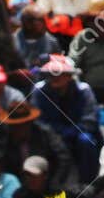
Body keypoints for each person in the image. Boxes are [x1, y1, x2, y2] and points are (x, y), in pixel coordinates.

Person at [30, 53, 99, 183]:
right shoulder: (39, 91)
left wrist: (71, 132)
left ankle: (87, 183)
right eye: (52, 74)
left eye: (60, 73)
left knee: (86, 141)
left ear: (69, 76)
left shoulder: (84, 90)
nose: (55, 77)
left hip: (78, 133)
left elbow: (90, 120)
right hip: (51, 135)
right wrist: (57, 133)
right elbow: (38, 120)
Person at [14, 6, 57, 70]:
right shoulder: (11, 42)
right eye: (41, 20)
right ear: (27, 23)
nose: (45, 24)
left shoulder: (51, 42)